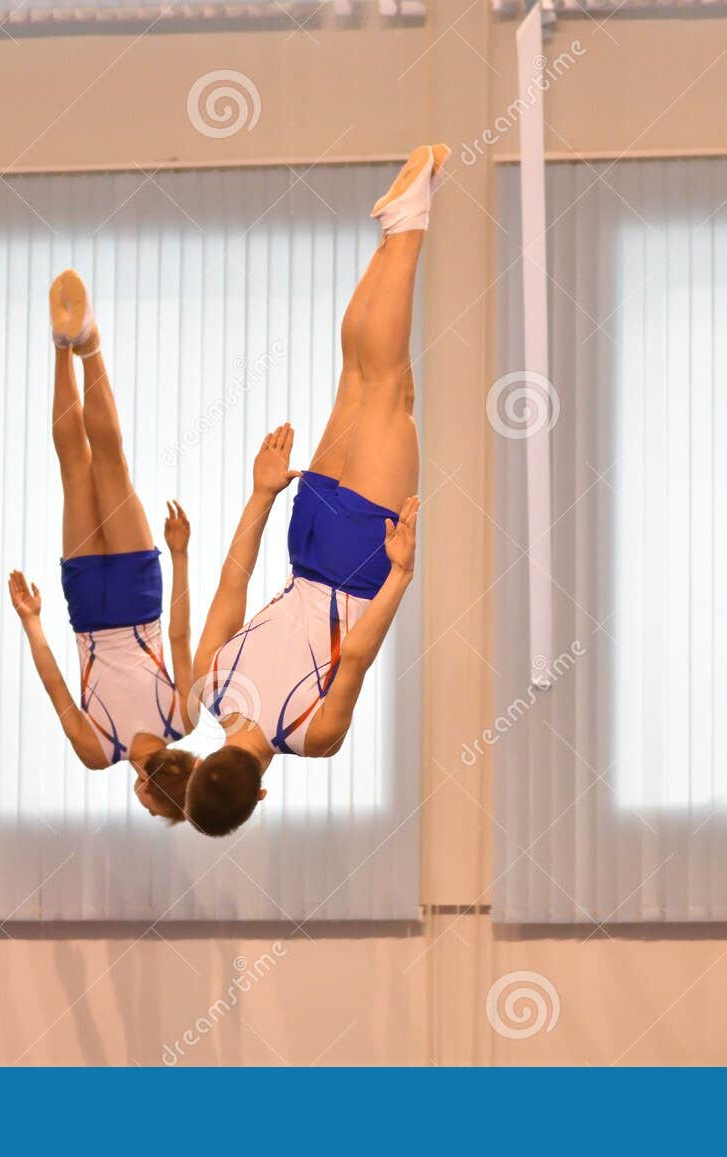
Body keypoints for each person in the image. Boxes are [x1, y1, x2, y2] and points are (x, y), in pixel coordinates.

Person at [183, 145, 446, 838]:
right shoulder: (206, 685)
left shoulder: (313, 736)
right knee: (362, 378)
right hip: (305, 538)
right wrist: (264, 492)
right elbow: (233, 578)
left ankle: (407, 222)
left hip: (359, 561)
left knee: (385, 385)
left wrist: (402, 572)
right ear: (207, 758)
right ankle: (392, 233)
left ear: (260, 797)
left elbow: (356, 653)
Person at [8, 270, 197, 823]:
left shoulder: (186, 718)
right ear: (149, 793)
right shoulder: (98, 752)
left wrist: (180, 556)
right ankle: (63, 349)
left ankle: (87, 345)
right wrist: (33, 622)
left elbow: (182, 635)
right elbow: (56, 687)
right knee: (76, 469)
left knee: (109, 463)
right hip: (91, 607)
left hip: (139, 597)